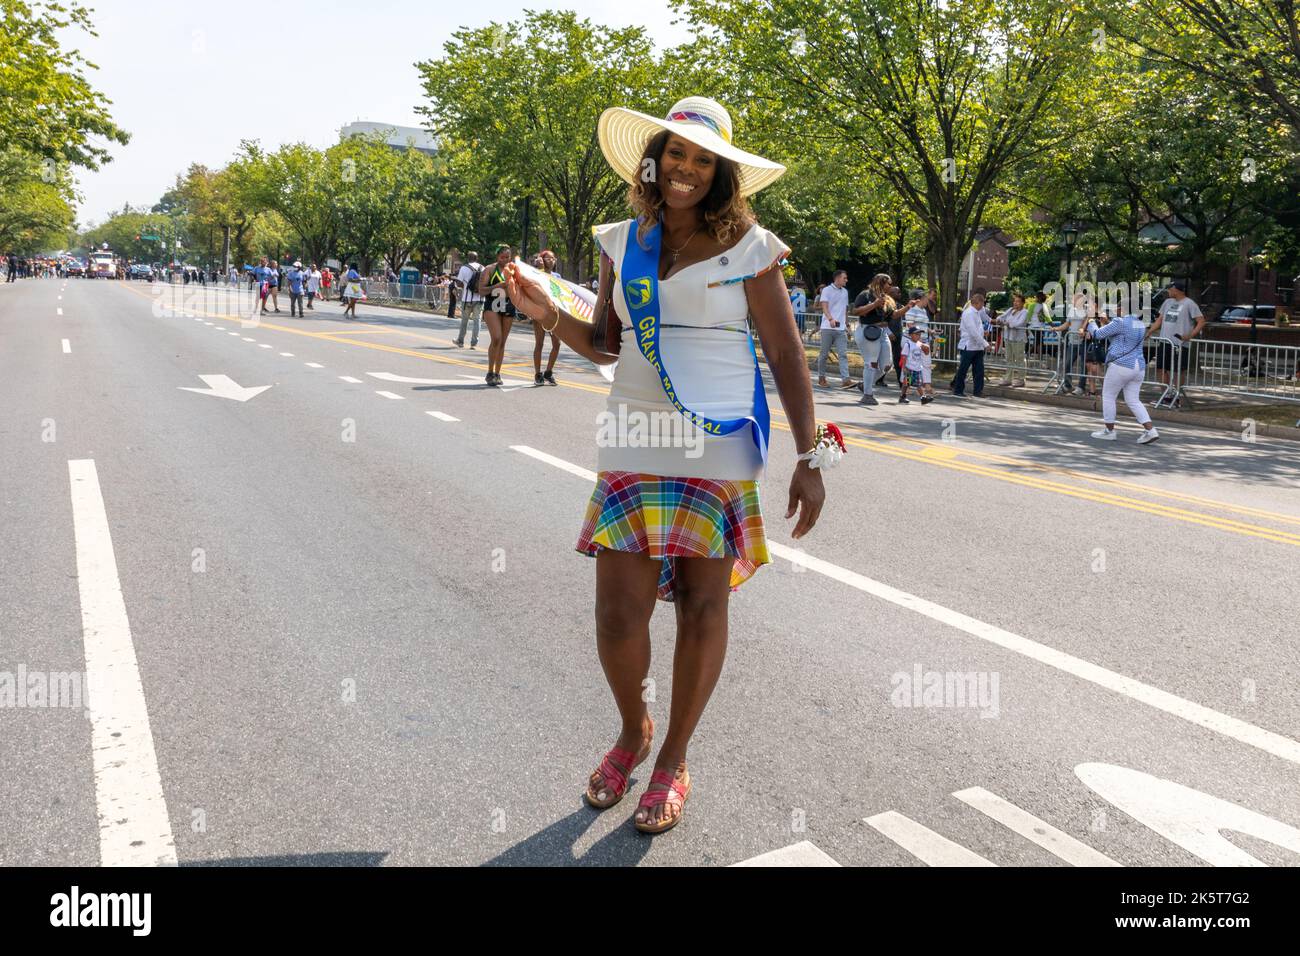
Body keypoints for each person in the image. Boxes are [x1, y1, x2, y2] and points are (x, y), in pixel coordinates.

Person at [504, 95, 826, 835]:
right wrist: (543, 312)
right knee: (617, 613)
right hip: (635, 434)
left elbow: (784, 353)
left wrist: (810, 458)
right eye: (675, 154)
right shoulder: (624, 241)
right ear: (654, 160)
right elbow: (608, 343)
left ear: (720, 173)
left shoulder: (752, 248)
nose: (686, 169)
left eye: (702, 160)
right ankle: (632, 730)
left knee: (703, 607)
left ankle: (674, 758)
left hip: (716, 444)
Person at [1086, 309, 1159, 444]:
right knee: (1133, 400)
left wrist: (1091, 321)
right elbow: (1120, 339)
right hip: (1138, 366)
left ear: (1123, 309)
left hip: (1121, 364)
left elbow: (1097, 334)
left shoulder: (1120, 321)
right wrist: (1106, 323)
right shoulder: (1140, 324)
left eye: (1118, 308)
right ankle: (1151, 430)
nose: (1115, 310)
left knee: (1108, 396)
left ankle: (1109, 431)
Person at [1148, 280, 1206, 408]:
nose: (1168, 291)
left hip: (1179, 344)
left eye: (1170, 289)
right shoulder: (1167, 302)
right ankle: (1166, 396)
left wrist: (1189, 336)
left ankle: (1177, 397)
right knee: (1161, 368)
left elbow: (1201, 321)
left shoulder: (1189, 304)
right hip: (1165, 341)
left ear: (1177, 290)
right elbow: (1160, 320)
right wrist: (1149, 332)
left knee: (1178, 371)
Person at [851, 273, 904, 405]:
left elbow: (893, 315)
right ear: (881, 283)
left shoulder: (887, 299)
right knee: (871, 363)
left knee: (887, 365)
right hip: (868, 331)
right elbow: (856, 311)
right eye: (889, 283)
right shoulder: (865, 295)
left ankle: (865, 384)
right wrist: (874, 304)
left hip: (881, 332)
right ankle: (867, 395)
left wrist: (908, 307)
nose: (890, 286)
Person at [481, 245, 516, 386]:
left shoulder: (514, 270)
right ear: (497, 257)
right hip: (492, 304)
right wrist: (497, 286)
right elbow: (481, 290)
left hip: (508, 305)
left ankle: (497, 373)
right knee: (496, 338)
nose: (505, 260)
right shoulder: (489, 269)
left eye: (508, 257)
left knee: (502, 342)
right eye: (502, 257)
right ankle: (489, 372)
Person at [817, 270, 852, 388]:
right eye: (844, 278)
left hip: (840, 329)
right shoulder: (827, 290)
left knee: (843, 354)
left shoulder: (845, 292)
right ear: (837, 278)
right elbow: (824, 307)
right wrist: (831, 319)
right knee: (824, 354)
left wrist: (847, 325)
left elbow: (845, 310)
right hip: (827, 327)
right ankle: (821, 378)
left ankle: (845, 379)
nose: (846, 280)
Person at [951, 291, 989, 397]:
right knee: (963, 369)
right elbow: (972, 331)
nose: (983, 306)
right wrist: (985, 343)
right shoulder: (968, 313)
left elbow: (976, 329)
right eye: (982, 303)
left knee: (979, 370)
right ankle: (958, 389)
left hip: (976, 346)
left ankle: (978, 391)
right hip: (968, 346)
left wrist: (982, 335)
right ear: (978, 303)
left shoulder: (975, 312)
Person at [532, 249, 562, 385]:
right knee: (539, 344)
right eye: (548, 258)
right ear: (542, 260)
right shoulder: (536, 274)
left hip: (553, 314)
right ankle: (538, 373)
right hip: (540, 313)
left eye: (553, 258)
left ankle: (548, 372)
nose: (552, 260)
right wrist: (540, 269)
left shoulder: (557, 276)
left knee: (557, 344)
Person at [997, 292, 1029, 387]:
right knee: (1008, 358)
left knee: (1019, 358)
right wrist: (1000, 320)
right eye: (1014, 301)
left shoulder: (1025, 312)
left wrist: (1007, 323)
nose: (1015, 303)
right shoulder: (1010, 310)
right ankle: (1008, 378)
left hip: (1018, 339)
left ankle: (1021, 379)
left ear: (1023, 303)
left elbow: (1018, 323)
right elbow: (1001, 317)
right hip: (1008, 337)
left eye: (1018, 301)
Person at [454, 252, 484, 348]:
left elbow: (459, 283)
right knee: (477, 321)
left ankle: (460, 341)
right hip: (479, 298)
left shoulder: (464, 268)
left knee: (464, 321)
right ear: (477, 258)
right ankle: (474, 343)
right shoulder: (482, 268)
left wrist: (465, 285)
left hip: (467, 298)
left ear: (468, 258)